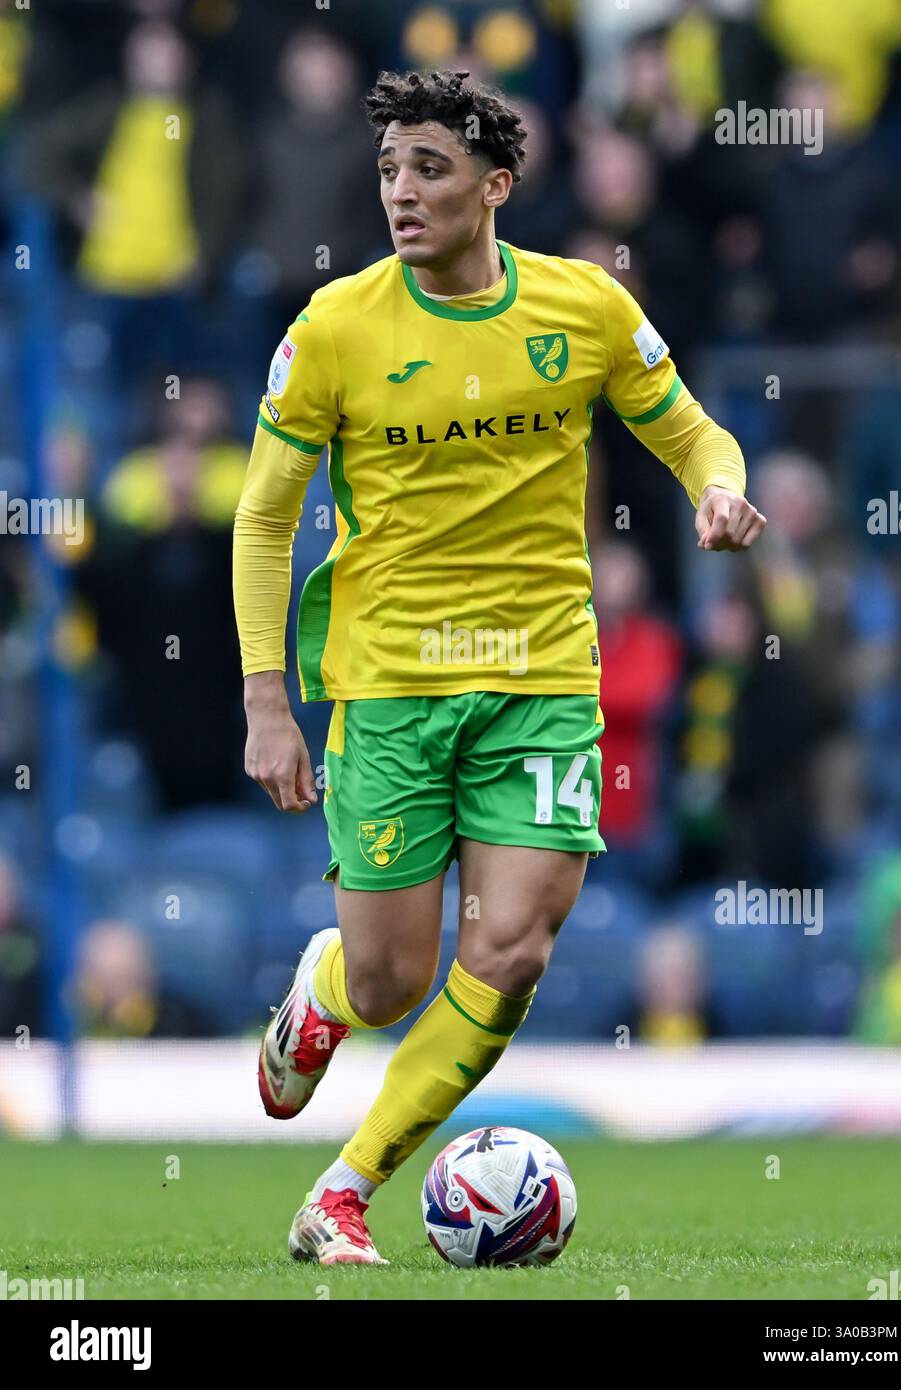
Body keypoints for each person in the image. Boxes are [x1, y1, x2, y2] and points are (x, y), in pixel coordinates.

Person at [232, 69, 766, 1265]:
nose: (402, 193)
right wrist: (269, 699)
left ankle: (346, 1189)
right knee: (386, 982)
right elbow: (266, 519)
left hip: (540, 682)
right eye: (387, 172)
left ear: (496, 185)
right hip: (391, 684)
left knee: (514, 948)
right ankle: (324, 988)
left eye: (428, 168)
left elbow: (691, 428)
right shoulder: (334, 327)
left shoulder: (583, 308)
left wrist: (720, 487)